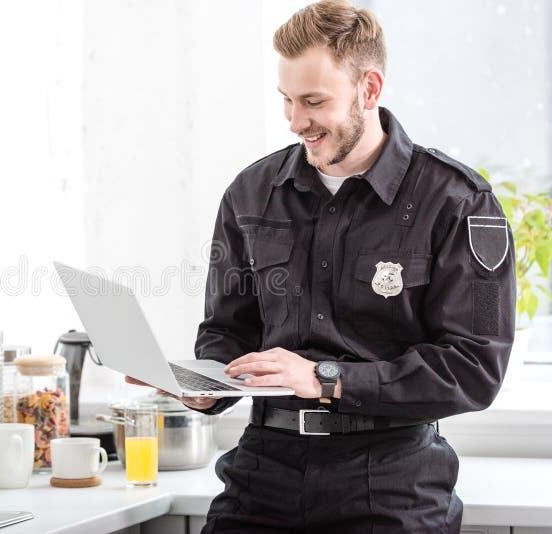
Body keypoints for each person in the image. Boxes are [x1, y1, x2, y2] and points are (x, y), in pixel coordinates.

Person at [127, 1, 516, 532]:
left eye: (313, 101)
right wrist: (207, 384)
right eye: (286, 100)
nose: (295, 122)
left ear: (370, 89)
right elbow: (226, 330)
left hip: (392, 481)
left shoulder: (457, 201)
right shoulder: (251, 193)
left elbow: (475, 368)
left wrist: (323, 378)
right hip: (262, 472)